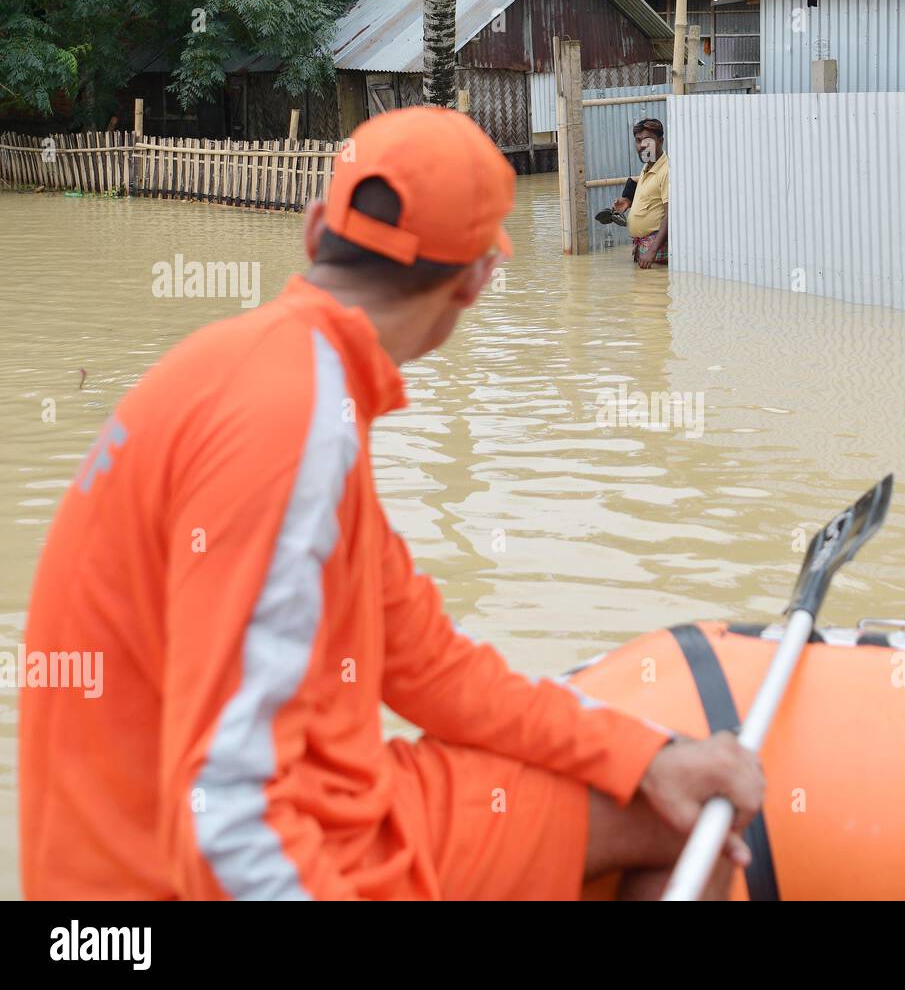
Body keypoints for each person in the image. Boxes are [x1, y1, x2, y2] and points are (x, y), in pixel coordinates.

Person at [19, 107, 763, 901]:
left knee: (666, 802)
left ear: (312, 232)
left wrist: (647, 756)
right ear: (476, 281)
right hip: (168, 868)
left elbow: (428, 664)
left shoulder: (256, 374)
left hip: (265, 808)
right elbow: (224, 818)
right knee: (692, 831)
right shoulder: (294, 420)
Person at [611, 117, 668, 270]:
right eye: (638, 140)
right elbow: (652, 198)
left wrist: (652, 251)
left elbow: (671, 215)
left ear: (660, 141)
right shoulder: (647, 166)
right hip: (643, 250)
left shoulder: (666, 171)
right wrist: (629, 203)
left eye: (647, 141)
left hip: (654, 254)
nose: (642, 146)